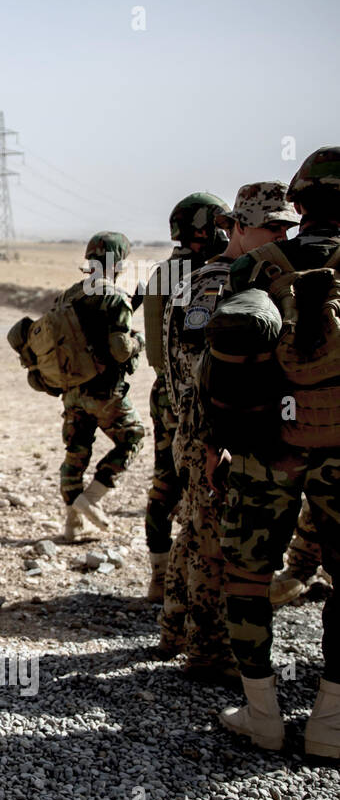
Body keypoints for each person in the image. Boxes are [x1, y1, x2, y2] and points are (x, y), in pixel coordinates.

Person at [212, 147, 340, 757]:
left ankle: (262, 714)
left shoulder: (255, 267)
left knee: (248, 574)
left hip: (268, 446)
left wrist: (215, 442)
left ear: (302, 200)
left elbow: (227, 364)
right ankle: (330, 724)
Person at [162, 182, 297, 685]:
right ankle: (208, 654)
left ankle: (175, 628)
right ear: (239, 226)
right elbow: (201, 370)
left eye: (287, 226)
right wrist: (212, 442)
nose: (281, 234)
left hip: (215, 434)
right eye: (271, 226)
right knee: (213, 544)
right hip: (210, 435)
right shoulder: (216, 284)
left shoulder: (255, 275)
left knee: (198, 533)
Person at [136, 194, 230, 604]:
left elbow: (156, 354)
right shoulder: (219, 274)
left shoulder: (162, 274)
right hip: (205, 396)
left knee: (165, 482)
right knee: (211, 488)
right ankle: (204, 585)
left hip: (166, 393)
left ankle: (161, 578)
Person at [56, 232, 145, 540]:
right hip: (104, 392)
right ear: (118, 263)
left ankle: (72, 525)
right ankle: (89, 500)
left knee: (76, 452)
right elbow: (120, 349)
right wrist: (138, 341)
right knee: (133, 437)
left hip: (72, 390)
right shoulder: (115, 297)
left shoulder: (69, 294)